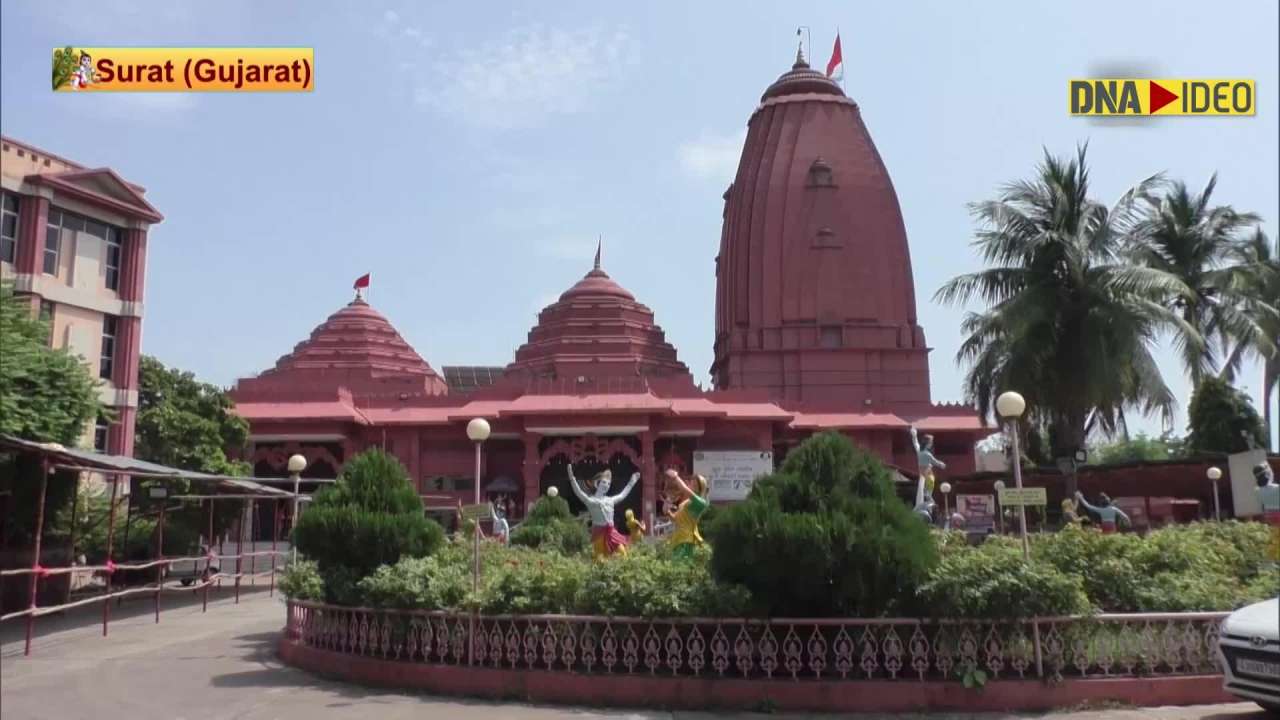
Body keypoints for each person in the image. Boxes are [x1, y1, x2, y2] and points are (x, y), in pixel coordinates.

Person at [567, 466, 639, 559]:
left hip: (612, 533)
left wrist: (632, 482)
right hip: (599, 534)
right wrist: (572, 478)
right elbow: (579, 492)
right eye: (604, 482)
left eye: (609, 484)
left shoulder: (610, 500)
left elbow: (622, 495)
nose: (606, 485)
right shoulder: (591, 501)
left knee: (623, 554)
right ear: (597, 484)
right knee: (600, 559)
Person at [664, 469, 709, 560]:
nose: (690, 482)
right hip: (678, 537)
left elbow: (685, 489)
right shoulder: (685, 503)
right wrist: (667, 511)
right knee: (675, 566)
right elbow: (675, 519)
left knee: (681, 565)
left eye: (693, 482)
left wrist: (675, 477)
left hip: (686, 539)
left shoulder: (700, 502)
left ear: (699, 487)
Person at [910, 426, 946, 494]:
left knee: (925, 488)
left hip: (922, 474)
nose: (931, 444)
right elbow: (935, 462)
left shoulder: (919, 451)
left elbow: (915, 442)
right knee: (929, 487)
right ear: (927, 443)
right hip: (928, 474)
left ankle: (927, 495)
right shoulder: (927, 454)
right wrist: (942, 465)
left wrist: (914, 435)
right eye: (931, 442)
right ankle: (928, 496)